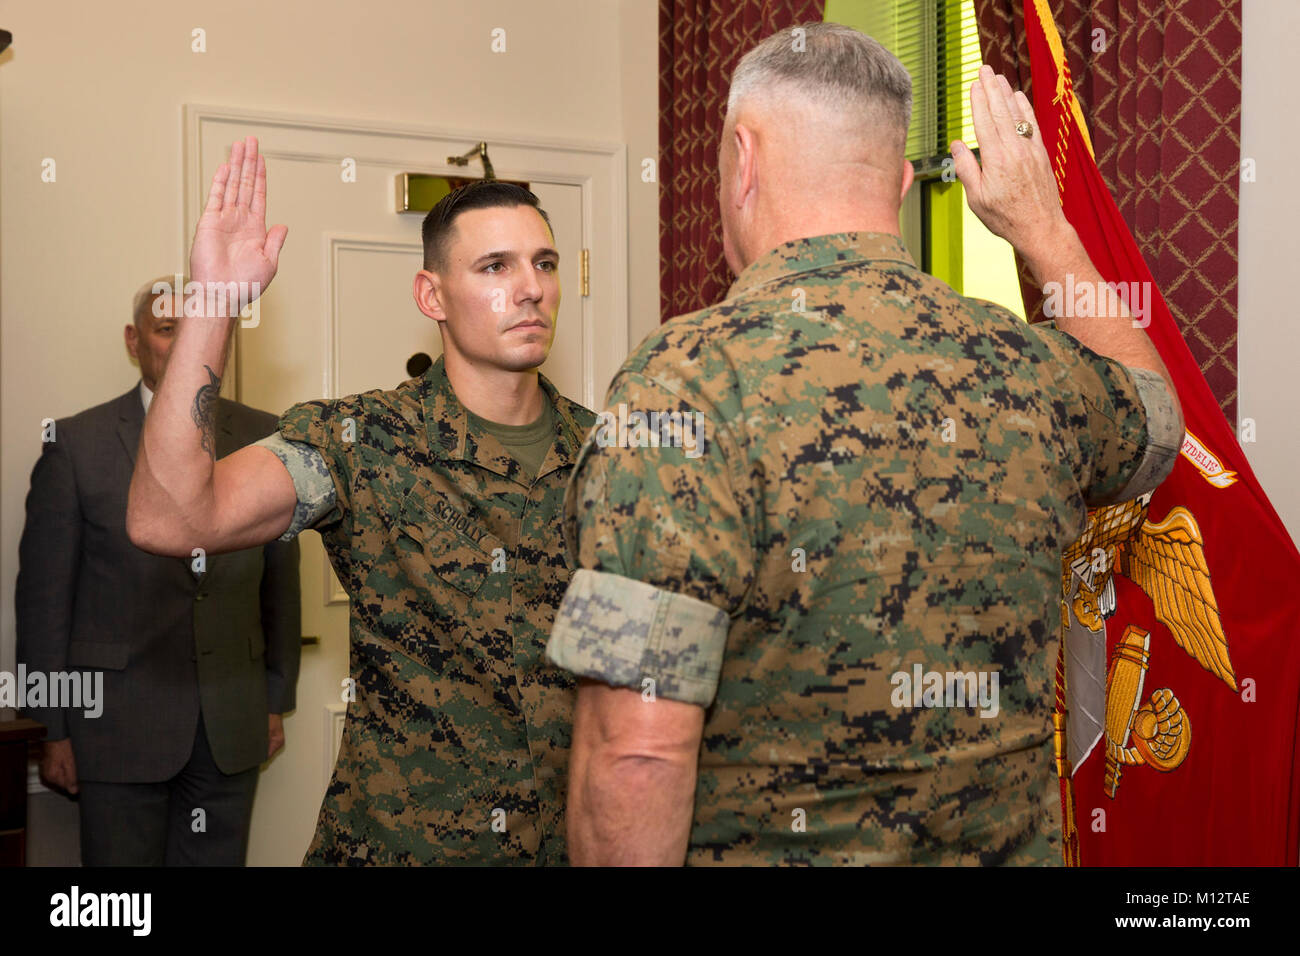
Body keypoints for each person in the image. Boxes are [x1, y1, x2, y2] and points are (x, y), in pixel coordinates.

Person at [546, 23, 1184, 865]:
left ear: (745, 158)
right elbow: (1155, 423)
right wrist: (1045, 231)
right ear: (896, 171)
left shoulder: (687, 381)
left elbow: (637, 752)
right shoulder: (1032, 367)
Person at [125, 144, 595, 865]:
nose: (529, 288)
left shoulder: (610, 456)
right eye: (495, 266)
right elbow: (170, 518)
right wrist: (216, 302)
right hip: (399, 849)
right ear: (432, 296)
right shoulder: (362, 441)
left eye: (545, 263)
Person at [15, 279, 301, 866]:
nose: (185, 343)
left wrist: (274, 697)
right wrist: (51, 729)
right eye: (169, 328)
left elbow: (281, 583)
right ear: (134, 340)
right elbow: (44, 603)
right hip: (114, 729)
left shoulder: (266, 437)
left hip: (230, 725)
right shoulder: (76, 445)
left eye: (200, 327)